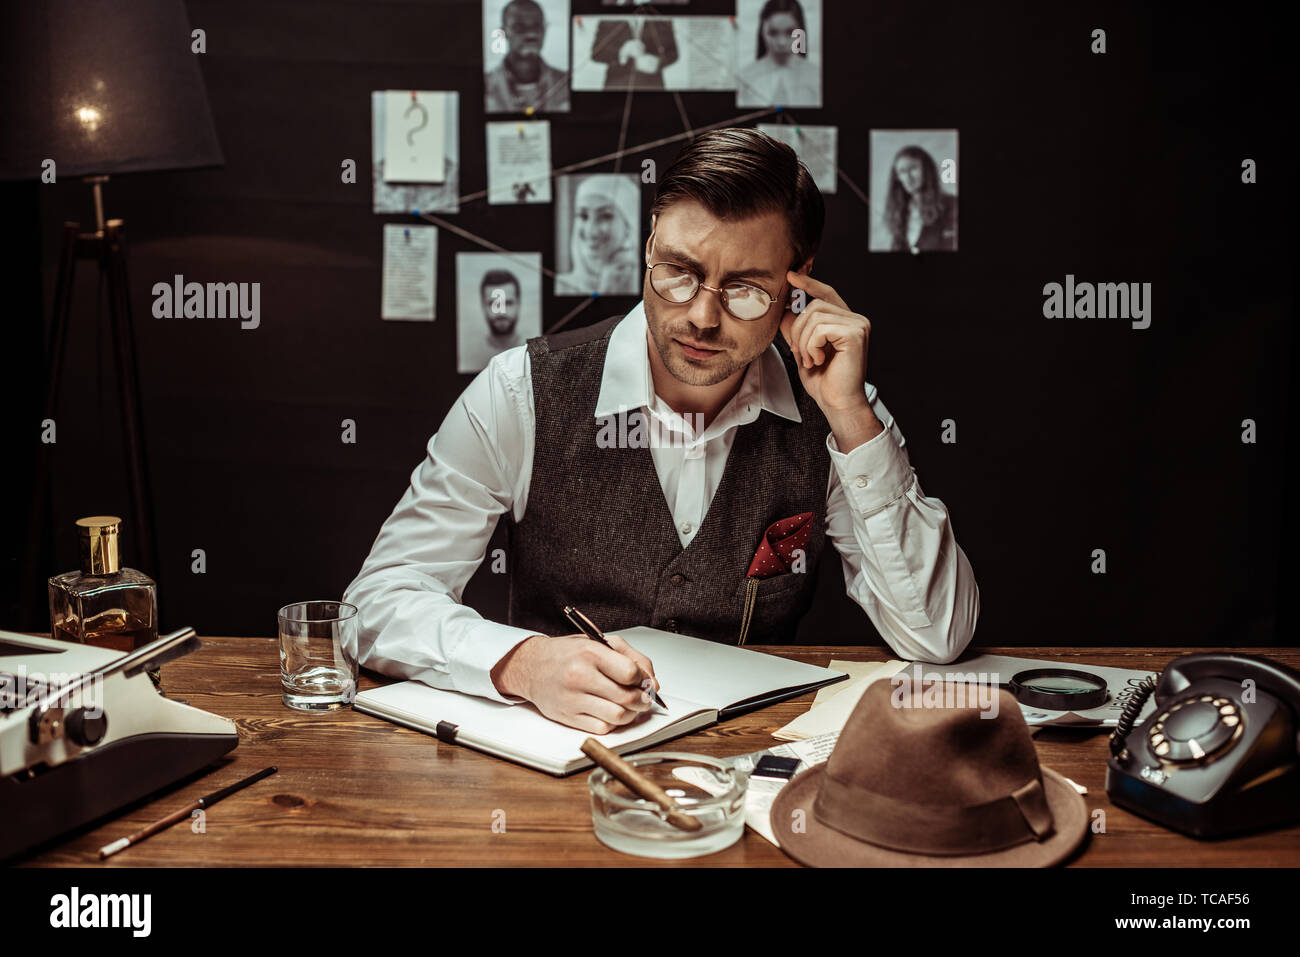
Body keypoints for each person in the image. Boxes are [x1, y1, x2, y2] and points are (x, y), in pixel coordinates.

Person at [344, 128, 979, 734]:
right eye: (678, 271)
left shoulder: (836, 412)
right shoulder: (520, 391)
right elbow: (377, 602)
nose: (702, 316)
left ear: (798, 284)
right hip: (559, 759)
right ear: (649, 244)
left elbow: (935, 634)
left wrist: (851, 421)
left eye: (745, 289)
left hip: (756, 771)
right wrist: (523, 663)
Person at [554, 174, 641, 295]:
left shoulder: (648, 283)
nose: (591, 231)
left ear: (629, 225)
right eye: (583, 216)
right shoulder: (560, 285)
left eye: (605, 216)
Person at [484, 0, 571, 113]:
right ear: (503, 33)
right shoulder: (483, 87)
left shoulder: (567, 84)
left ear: (544, 29)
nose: (531, 34)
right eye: (519, 27)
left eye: (537, 26)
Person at [737, 0, 820, 107]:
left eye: (790, 32)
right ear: (762, 31)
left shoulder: (817, 76)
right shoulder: (745, 78)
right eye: (773, 32)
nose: (782, 42)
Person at [883, 145, 957, 252]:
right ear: (897, 177)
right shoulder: (901, 213)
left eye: (913, 168)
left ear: (927, 170)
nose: (908, 177)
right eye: (902, 171)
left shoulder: (951, 205)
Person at [592, 16, 678, 90]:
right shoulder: (608, 17)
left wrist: (659, 62)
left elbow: (673, 53)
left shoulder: (660, 14)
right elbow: (596, 53)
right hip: (617, 88)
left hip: (652, 87)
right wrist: (621, 51)